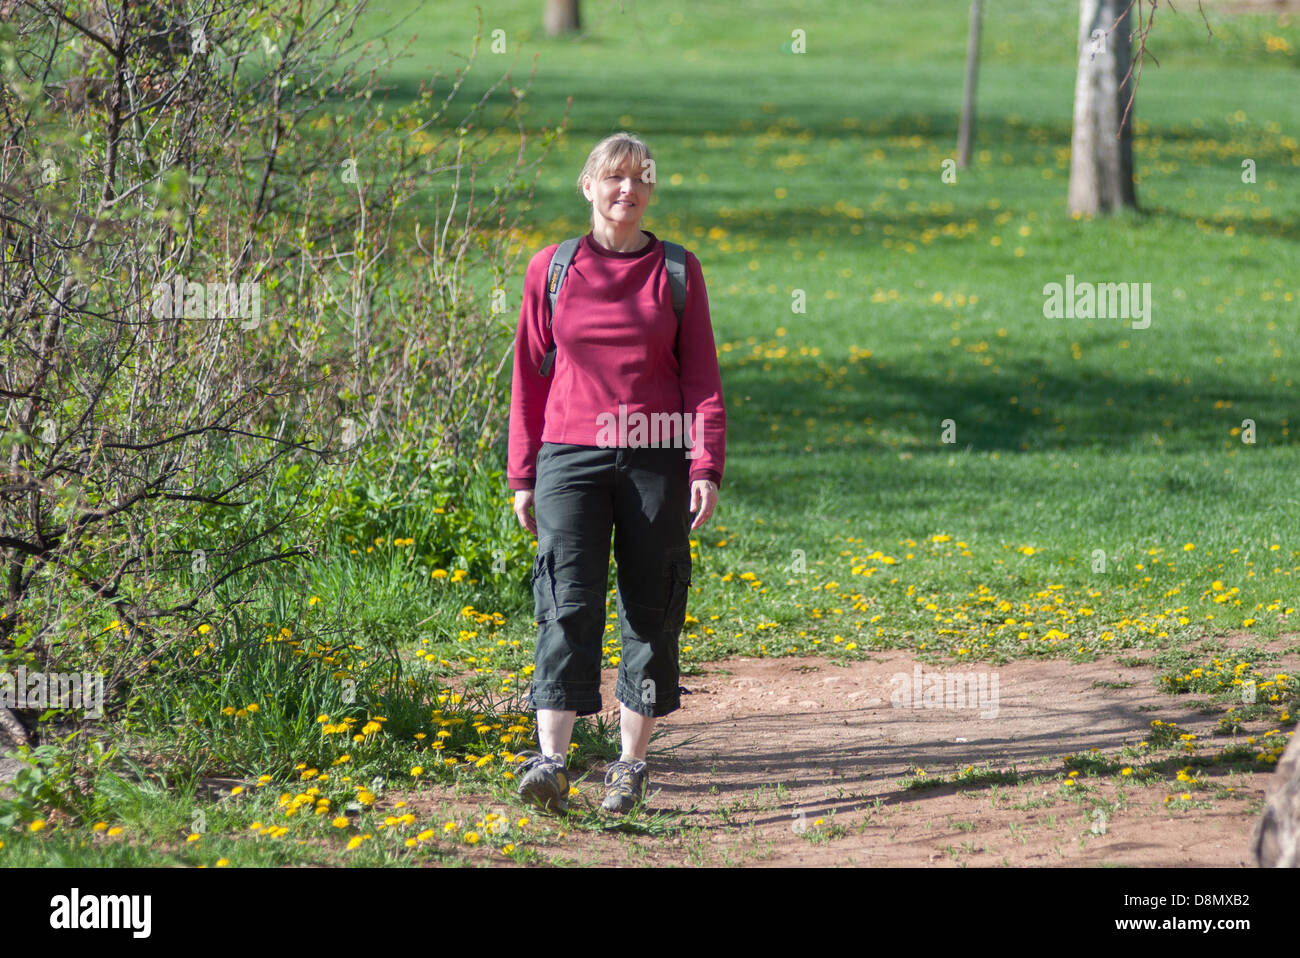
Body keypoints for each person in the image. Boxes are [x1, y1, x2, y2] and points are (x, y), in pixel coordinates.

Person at [506, 131, 726, 814]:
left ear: (651, 190)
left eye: (640, 179)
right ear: (588, 186)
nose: (626, 190)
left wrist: (705, 464)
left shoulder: (679, 272)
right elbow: (527, 379)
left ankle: (631, 765)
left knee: (651, 609)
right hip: (569, 456)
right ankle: (552, 761)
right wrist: (522, 473)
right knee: (566, 603)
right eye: (613, 178)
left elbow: (703, 379)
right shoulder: (552, 268)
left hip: (656, 457)